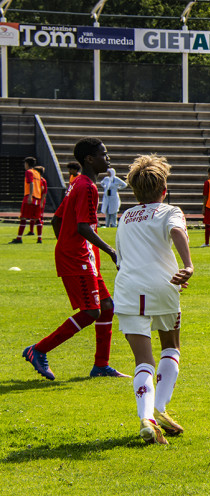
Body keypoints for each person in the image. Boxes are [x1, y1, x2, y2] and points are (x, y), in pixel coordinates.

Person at [22, 138, 128, 380]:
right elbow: (83, 227)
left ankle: (101, 366)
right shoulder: (87, 187)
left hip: (80, 255)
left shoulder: (77, 183)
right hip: (77, 257)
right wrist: (110, 251)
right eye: (103, 154)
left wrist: (66, 244)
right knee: (91, 311)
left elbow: (56, 220)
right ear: (89, 159)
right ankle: (37, 350)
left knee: (107, 308)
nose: (107, 158)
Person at [114, 154, 194, 445]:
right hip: (163, 286)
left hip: (128, 288)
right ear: (164, 188)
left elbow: (121, 259)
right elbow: (176, 232)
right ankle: (158, 406)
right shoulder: (169, 210)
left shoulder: (124, 216)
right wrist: (187, 265)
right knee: (171, 346)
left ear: (135, 191)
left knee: (142, 362)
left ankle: (146, 416)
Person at [10, 157, 42, 244]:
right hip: (37, 197)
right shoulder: (37, 173)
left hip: (30, 196)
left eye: (25, 163)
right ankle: (39, 239)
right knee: (37, 218)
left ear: (27, 163)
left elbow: (31, 183)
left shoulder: (28, 172)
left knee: (23, 217)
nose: (24, 165)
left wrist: (30, 196)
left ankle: (19, 238)